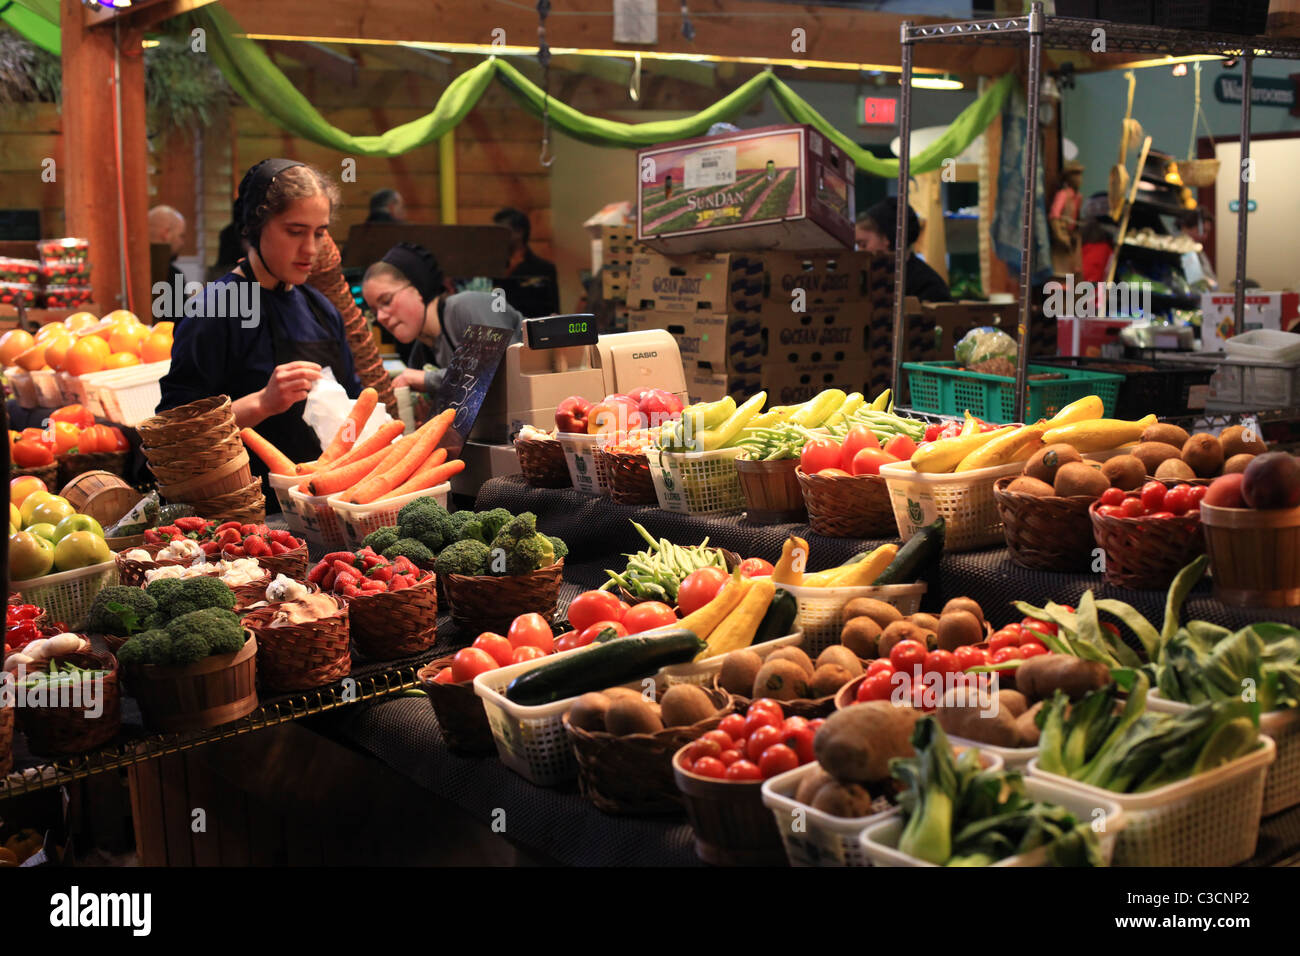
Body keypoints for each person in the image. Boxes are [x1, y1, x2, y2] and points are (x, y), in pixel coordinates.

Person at [158, 158, 363, 479]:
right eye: (295, 232)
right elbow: (174, 435)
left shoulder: (320, 310)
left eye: (320, 233)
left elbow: (354, 412)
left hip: (319, 499)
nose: (311, 249)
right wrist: (262, 403)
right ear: (255, 227)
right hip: (243, 513)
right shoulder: (215, 309)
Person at [361, 241, 524, 395]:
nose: (381, 317)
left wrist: (425, 379)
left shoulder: (468, 306)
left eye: (386, 301)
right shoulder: (420, 354)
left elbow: (503, 370)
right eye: (374, 312)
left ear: (417, 287)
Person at [855, 197, 951, 302]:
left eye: (863, 245)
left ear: (887, 239)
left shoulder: (929, 287)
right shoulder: (865, 279)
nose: (859, 251)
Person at [493, 207, 560, 317]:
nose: (496, 236)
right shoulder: (491, 267)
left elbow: (554, 311)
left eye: (501, 230)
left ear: (519, 232)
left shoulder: (544, 269)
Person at [148, 205, 186, 282]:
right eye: (181, 236)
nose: (183, 243)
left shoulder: (132, 268)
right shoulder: (174, 277)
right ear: (166, 234)